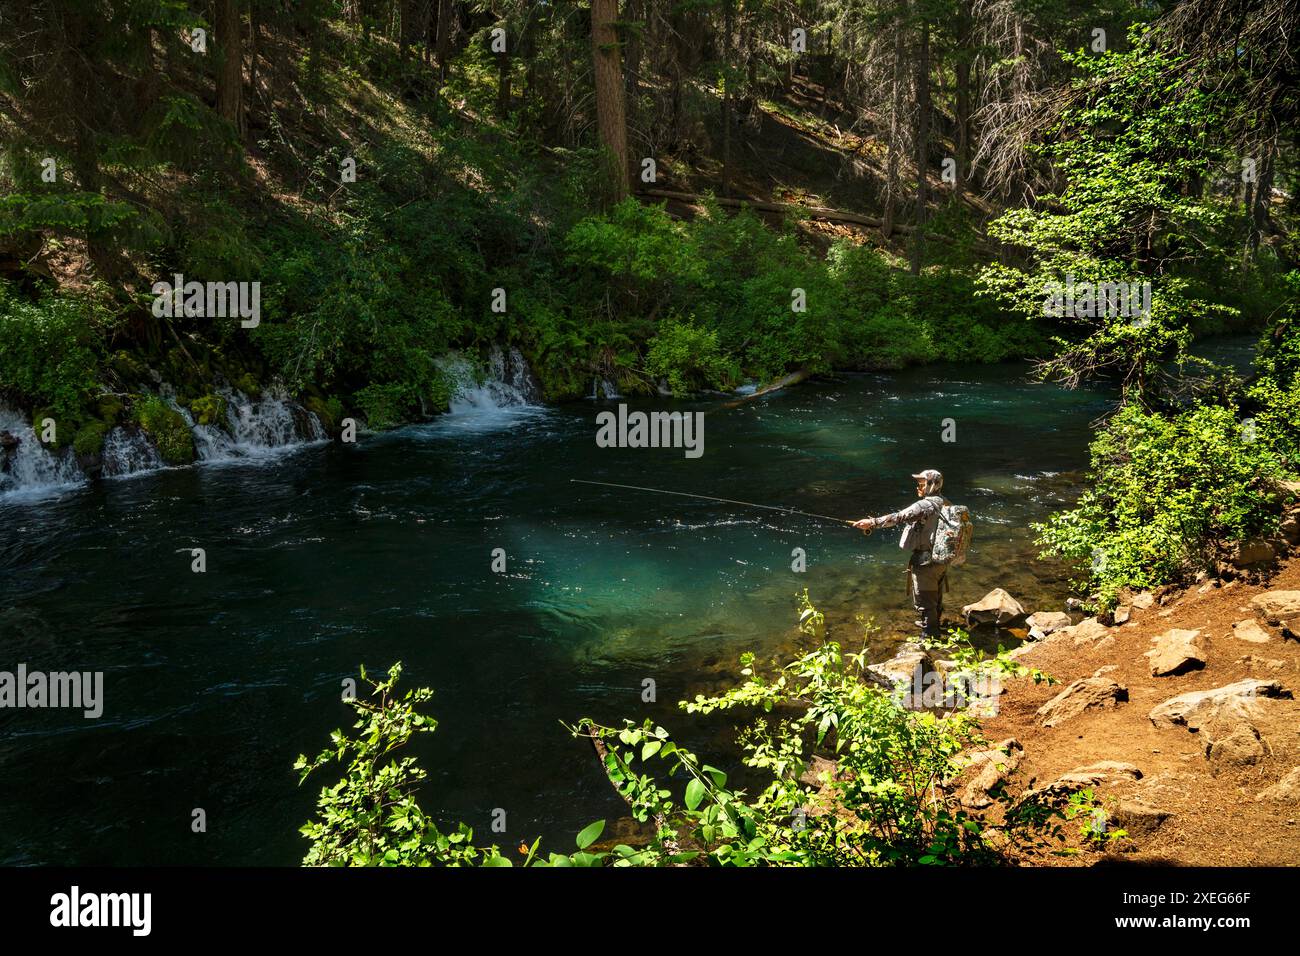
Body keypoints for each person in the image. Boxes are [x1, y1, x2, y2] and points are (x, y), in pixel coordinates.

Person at [852, 469, 949, 639]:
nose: (918, 487)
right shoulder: (946, 502)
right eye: (918, 483)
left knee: (925, 599)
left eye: (921, 483)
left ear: (932, 485)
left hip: (925, 560)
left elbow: (898, 517)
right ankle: (935, 624)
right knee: (935, 595)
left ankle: (930, 636)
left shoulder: (923, 505)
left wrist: (872, 523)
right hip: (942, 557)